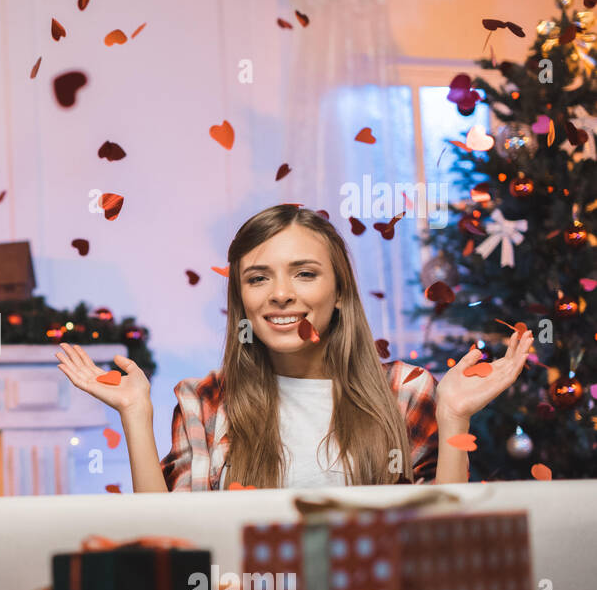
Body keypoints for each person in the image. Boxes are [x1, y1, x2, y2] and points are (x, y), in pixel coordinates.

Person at [55, 204, 533, 491]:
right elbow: (175, 539)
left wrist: (454, 419)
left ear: (340, 291)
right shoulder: (202, 401)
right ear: (241, 299)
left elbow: (444, 539)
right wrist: (135, 416)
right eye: (258, 278)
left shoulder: (406, 390)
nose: (280, 293)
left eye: (304, 273)